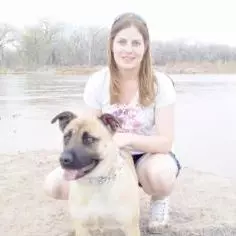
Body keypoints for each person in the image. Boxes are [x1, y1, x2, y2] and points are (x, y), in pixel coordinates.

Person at [43, 12, 181, 233]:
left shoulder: (161, 83)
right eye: (122, 42)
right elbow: (89, 128)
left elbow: (165, 141)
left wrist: (127, 138)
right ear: (112, 45)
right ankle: (98, 206)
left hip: (150, 155)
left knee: (160, 176)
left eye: (136, 43)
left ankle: (159, 200)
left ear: (145, 47)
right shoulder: (98, 82)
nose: (128, 49)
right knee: (55, 185)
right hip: (112, 155)